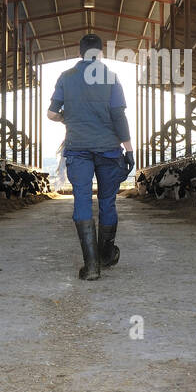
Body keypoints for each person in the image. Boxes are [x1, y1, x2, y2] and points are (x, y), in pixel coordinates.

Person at [46, 34, 135, 280]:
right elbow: (119, 117)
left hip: (78, 150)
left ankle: (92, 267)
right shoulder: (112, 78)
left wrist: (67, 116)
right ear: (100, 53)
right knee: (108, 201)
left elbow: (51, 114)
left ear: (80, 52)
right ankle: (106, 255)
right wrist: (129, 150)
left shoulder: (66, 77)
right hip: (109, 150)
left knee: (82, 201)